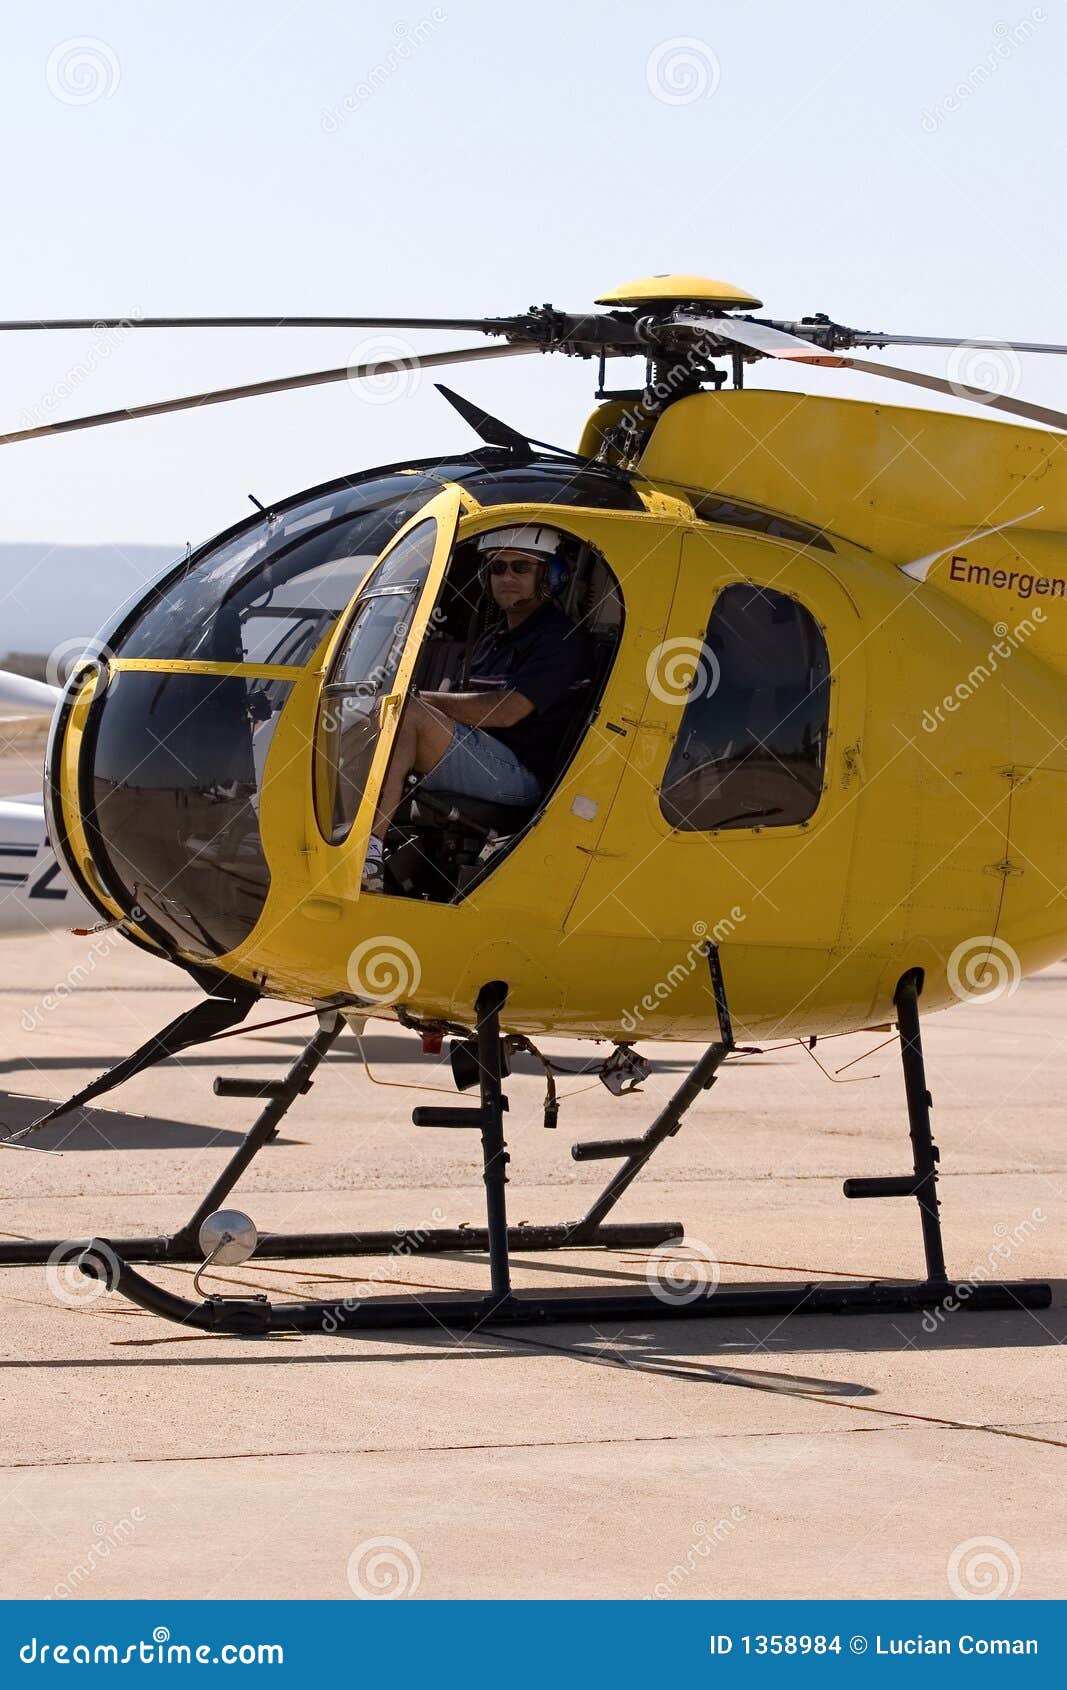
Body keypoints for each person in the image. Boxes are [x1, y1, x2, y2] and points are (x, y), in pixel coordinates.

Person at [363, 524, 592, 890]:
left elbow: (508, 711)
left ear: (550, 576)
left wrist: (419, 701)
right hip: (483, 755)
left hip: (521, 775)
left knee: (403, 711)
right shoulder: (494, 638)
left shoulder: (558, 638)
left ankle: (367, 850)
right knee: (368, 712)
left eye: (521, 567)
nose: (507, 578)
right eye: (497, 568)